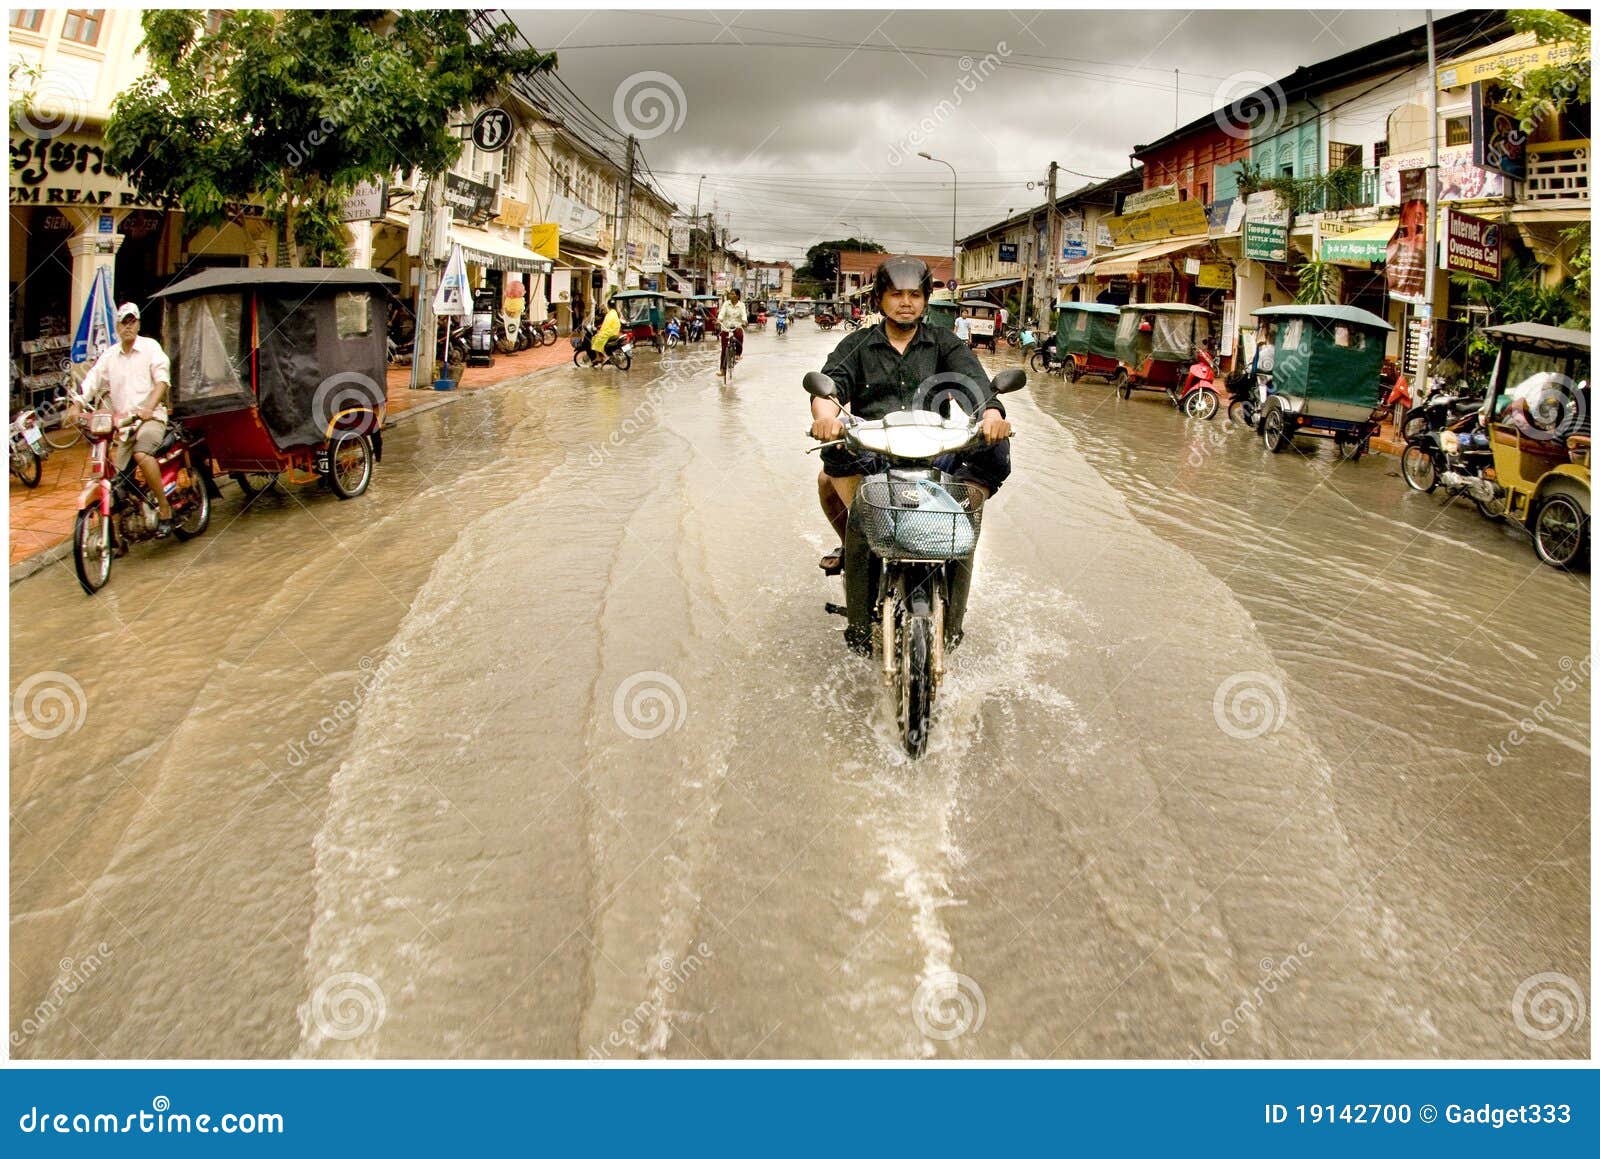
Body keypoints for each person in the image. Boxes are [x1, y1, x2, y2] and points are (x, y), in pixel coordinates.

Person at [809, 256, 1013, 648]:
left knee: (996, 451)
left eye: (914, 295)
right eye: (896, 294)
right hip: (874, 451)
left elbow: (975, 384)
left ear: (926, 300)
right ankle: (857, 551)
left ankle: (956, 572)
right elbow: (828, 388)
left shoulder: (944, 342)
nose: (906, 302)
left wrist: (991, 415)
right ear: (879, 300)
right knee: (828, 466)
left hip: (935, 452)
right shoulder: (857, 345)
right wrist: (826, 419)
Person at [72, 302, 176, 536]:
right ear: (117, 327)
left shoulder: (150, 347)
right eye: (123, 322)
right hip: (125, 426)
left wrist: (149, 407)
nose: (127, 326)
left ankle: (165, 509)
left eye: (132, 321)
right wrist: (77, 403)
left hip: (150, 418)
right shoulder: (110, 355)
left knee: (142, 453)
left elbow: (162, 380)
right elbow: (92, 380)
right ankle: (117, 539)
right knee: (115, 480)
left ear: (138, 324)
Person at [718, 287, 748, 372]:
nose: (731, 295)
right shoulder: (726, 304)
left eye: (733, 294)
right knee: (724, 348)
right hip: (726, 327)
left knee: (739, 335)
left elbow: (744, 314)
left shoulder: (741, 305)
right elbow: (722, 313)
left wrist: (744, 321)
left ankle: (738, 354)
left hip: (737, 326)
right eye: (730, 294)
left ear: (738, 296)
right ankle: (722, 370)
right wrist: (719, 319)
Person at [590, 296, 622, 365]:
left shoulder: (610, 314)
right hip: (615, 332)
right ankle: (601, 356)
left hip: (609, 333)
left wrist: (600, 331)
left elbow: (606, 325)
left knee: (594, 339)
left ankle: (602, 356)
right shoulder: (614, 312)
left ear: (608, 306)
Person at [1253, 325, 1276, 406]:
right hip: (1274, 377)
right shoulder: (1278, 353)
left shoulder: (1263, 351)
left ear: (1268, 339)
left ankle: (1261, 405)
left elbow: (1258, 365)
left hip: (1262, 376)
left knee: (1262, 391)